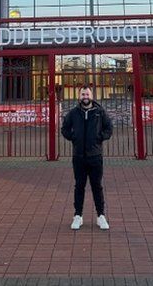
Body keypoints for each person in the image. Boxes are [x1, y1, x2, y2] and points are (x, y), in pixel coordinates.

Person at [61, 86, 113, 230]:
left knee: (97, 186)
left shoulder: (100, 112)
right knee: (79, 186)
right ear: (79, 96)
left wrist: (100, 138)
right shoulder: (73, 113)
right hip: (78, 156)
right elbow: (64, 129)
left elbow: (109, 128)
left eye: (87, 94)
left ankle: (101, 216)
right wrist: (74, 137)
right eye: (83, 94)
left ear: (92, 96)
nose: (85, 96)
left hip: (95, 156)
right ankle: (78, 215)